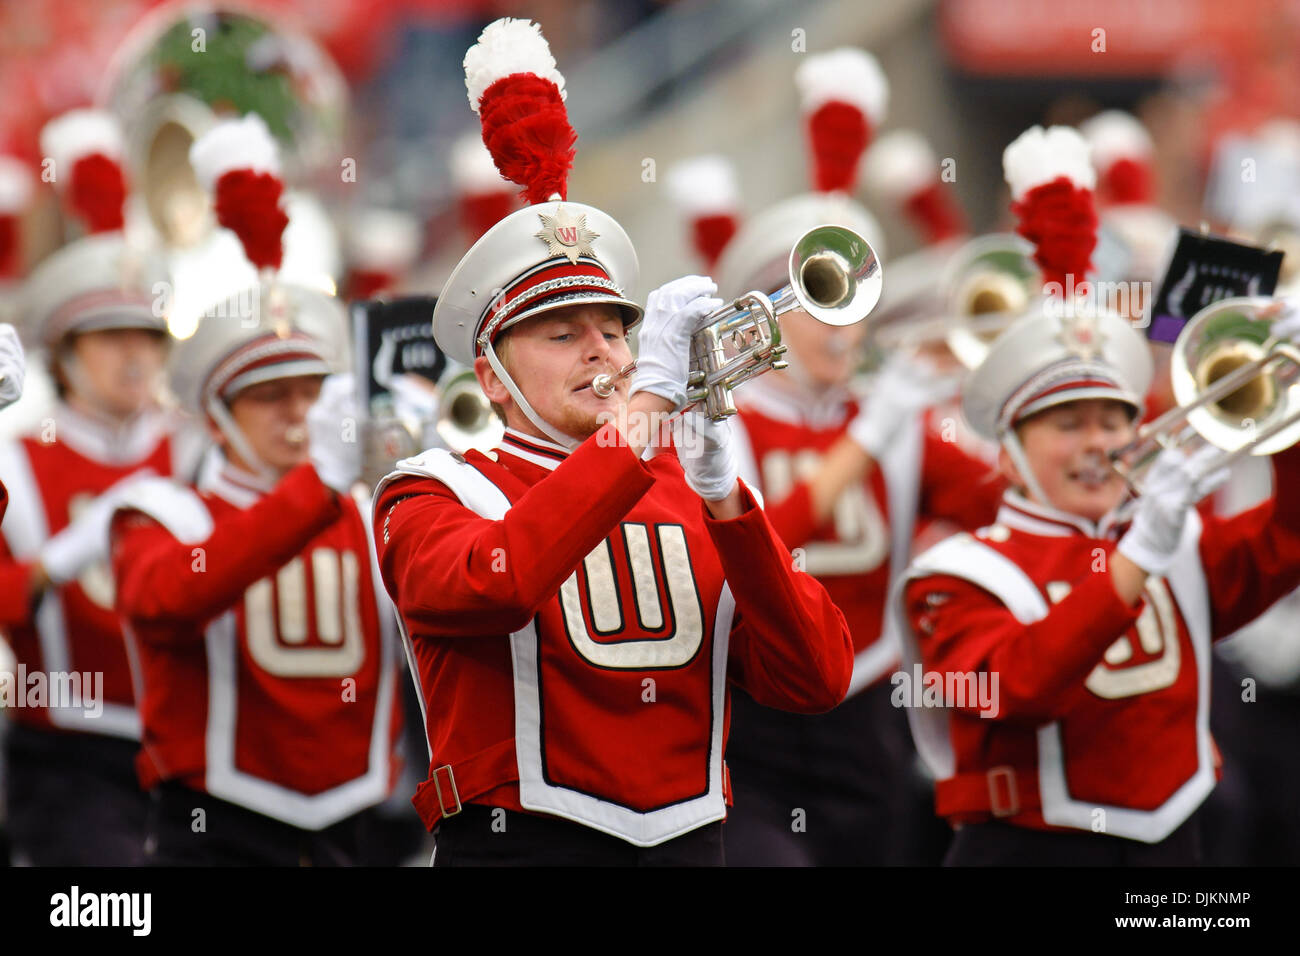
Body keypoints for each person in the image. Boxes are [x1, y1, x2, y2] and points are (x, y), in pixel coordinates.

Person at [371, 17, 854, 866]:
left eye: (615, 331)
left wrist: (728, 502)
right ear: (492, 377)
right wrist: (652, 411)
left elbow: (815, 677)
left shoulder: (676, 481)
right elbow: (504, 579)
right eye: (561, 335)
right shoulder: (432, 490)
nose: (603, 352)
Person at [108, 116, 402, 866]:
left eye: (312, 389)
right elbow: (163, 602)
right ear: (217, 414)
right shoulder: (160, 510)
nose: (299, 412)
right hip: (215, 832)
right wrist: (316, 489)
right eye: (270, 395)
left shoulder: (373, 509)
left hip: (356, 824)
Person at [0, 224, 203, 865]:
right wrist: (59, 560)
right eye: (112, 338)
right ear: (62, 355)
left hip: (192, 754)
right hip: (67, 760)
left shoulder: (198, 449)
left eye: (148, 337)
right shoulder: (16, 460)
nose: (136, 356)